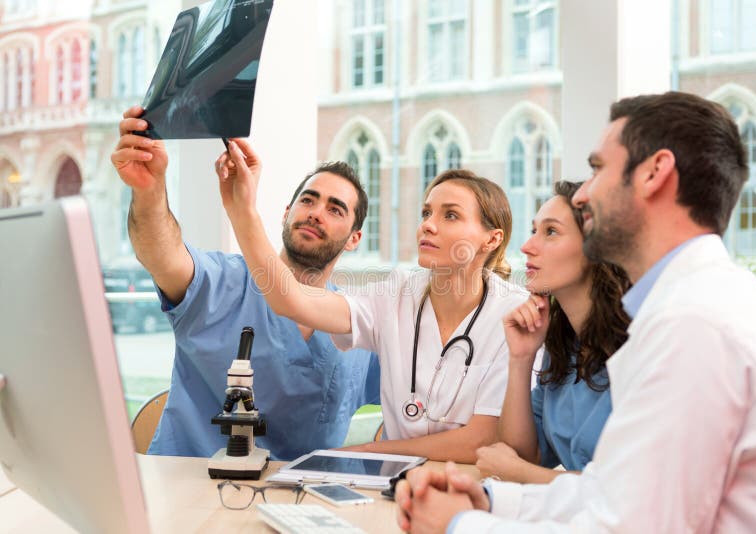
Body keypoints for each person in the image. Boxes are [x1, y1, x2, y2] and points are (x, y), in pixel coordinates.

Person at [395, 91, 756, 532]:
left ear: (654, 173)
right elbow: (613, 491)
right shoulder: (687, 308)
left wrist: (459, 525)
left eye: (598, 169)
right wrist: (492, 501)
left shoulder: (696, 326)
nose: (584, 195)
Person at [214, 140, 530, 463]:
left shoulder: (514, 313)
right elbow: (290, 300)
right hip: (396, 488)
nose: (427, 225)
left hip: (473, 489)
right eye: (426, 212)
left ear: (491, 239)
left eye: (450, 215)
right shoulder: (394, 294)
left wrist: (368, 452)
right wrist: (243, 211)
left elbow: (483, 439)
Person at [110, 106, 381, 460]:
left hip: (294, 505)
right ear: (287, 214)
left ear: (354, 238)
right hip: (188, 492)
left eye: (336, 209)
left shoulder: (355, 324)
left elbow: (418, 396)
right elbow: (160, 254)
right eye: (308, 200)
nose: (316, 212)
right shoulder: (222, 282)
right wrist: (148, 190)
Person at [476, 180, 630, 484]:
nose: (527, 246)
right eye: (535, 230)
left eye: (551, 232)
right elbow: (522, 453)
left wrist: (520, 473)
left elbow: (625, 486)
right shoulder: (563, 346)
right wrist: (521, 358)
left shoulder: (637, 344)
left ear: (596, 247)